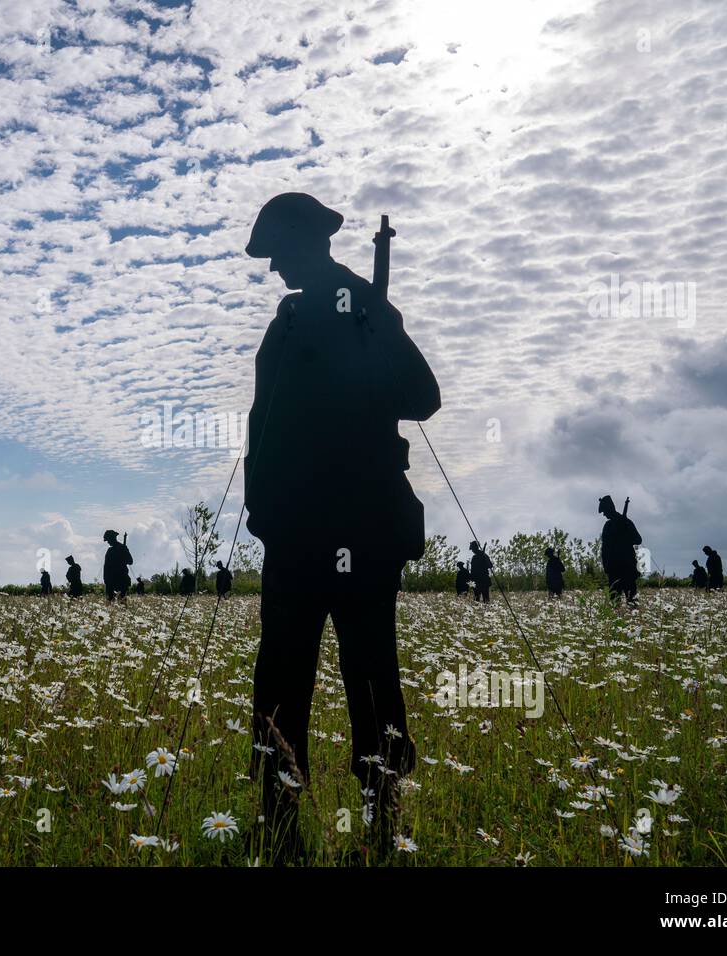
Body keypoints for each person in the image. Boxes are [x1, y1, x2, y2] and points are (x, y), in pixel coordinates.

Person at [242, 193, 440, 860]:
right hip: (299, 529)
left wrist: (380, 332)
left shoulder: (363, 310)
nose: (273, 270)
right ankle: (279, 820)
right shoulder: (292, 319)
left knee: (367, 673)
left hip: (356, 524)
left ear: (310, 244)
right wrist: (263, 510)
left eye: (279, 255)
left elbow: (423, 398)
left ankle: (380, 820)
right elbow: (262, 422)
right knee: (285, 677)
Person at [598, 495, 641, 605]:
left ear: (610, 508)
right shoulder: (607, 526)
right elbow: (605, 549)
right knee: (614, 602)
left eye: (605, 511)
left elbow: (638, 540)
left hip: (627, 567)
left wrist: (625, 537)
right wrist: (606, 566)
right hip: (613, 569)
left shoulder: (625, 522)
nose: (604, 514)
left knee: (632, 602)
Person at [102, 530, 133, 603]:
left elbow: (130, 561)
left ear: (112, 538)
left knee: (122, 603)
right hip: (111, 581)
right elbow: (106, 566)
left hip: (121, 580)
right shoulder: (110, 550)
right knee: (110, 604)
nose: (108, 542)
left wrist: (124, 556)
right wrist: (106, 579)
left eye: (108, 540)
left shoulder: (123, 548)